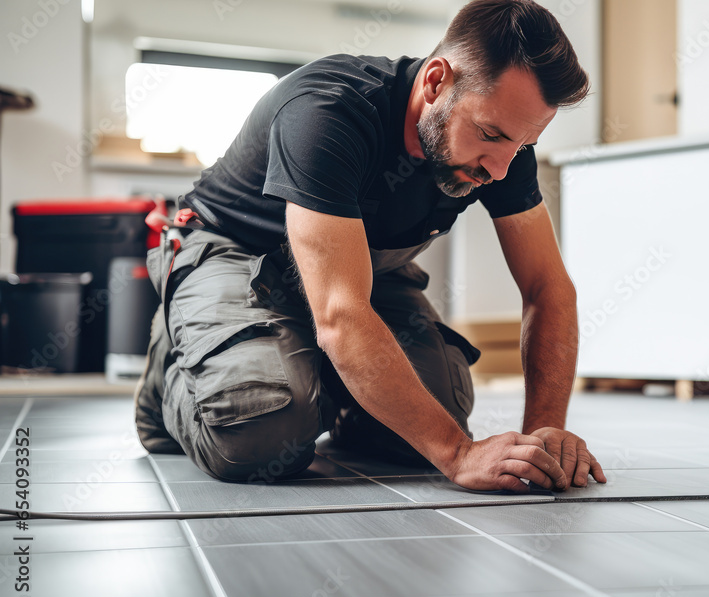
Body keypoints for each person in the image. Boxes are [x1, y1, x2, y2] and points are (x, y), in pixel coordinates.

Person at [135, 0, 606, 493]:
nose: (502, 169)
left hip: (357, 270)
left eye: (523, 145)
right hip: (237, 253)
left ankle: (312, 378)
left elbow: (548, 287)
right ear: (436, 82)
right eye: (490, 134)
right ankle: (172, 376)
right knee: (264, 433)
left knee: (427, 419)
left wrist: (543, 434)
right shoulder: (328, 113)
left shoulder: (503, 151)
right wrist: (458, 455)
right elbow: (341, 317)